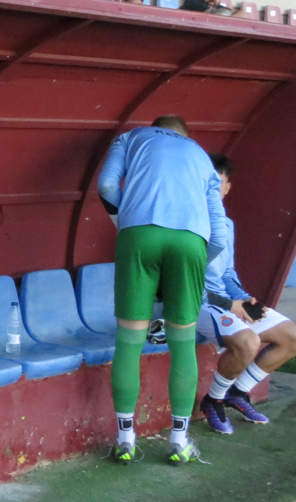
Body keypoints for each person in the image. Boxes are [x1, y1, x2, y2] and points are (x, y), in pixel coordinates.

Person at [97, 115, 227, 466]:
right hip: (191, 242)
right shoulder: (201, 156)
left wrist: (128, 223)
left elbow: (108, 185)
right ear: (185, 135)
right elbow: (220, 236)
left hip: (139, 235)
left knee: (130, 337)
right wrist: (196, 263)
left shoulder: (131, 137)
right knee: (182, 339)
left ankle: (125, 439)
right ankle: (180, 441)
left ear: (156, 128)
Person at [197, 155, 296, 434]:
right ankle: (213, 401)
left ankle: (238, 392)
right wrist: (229, 304)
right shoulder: (185, 225)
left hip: (226, 301)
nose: (212, 190)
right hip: (196, 305)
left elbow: (227, 273)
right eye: (206, 183)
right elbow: (186, 285)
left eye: (217, 184)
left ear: (226, 188)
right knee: (248, 342)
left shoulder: (226, 225)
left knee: (293, 337)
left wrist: (245, 300)